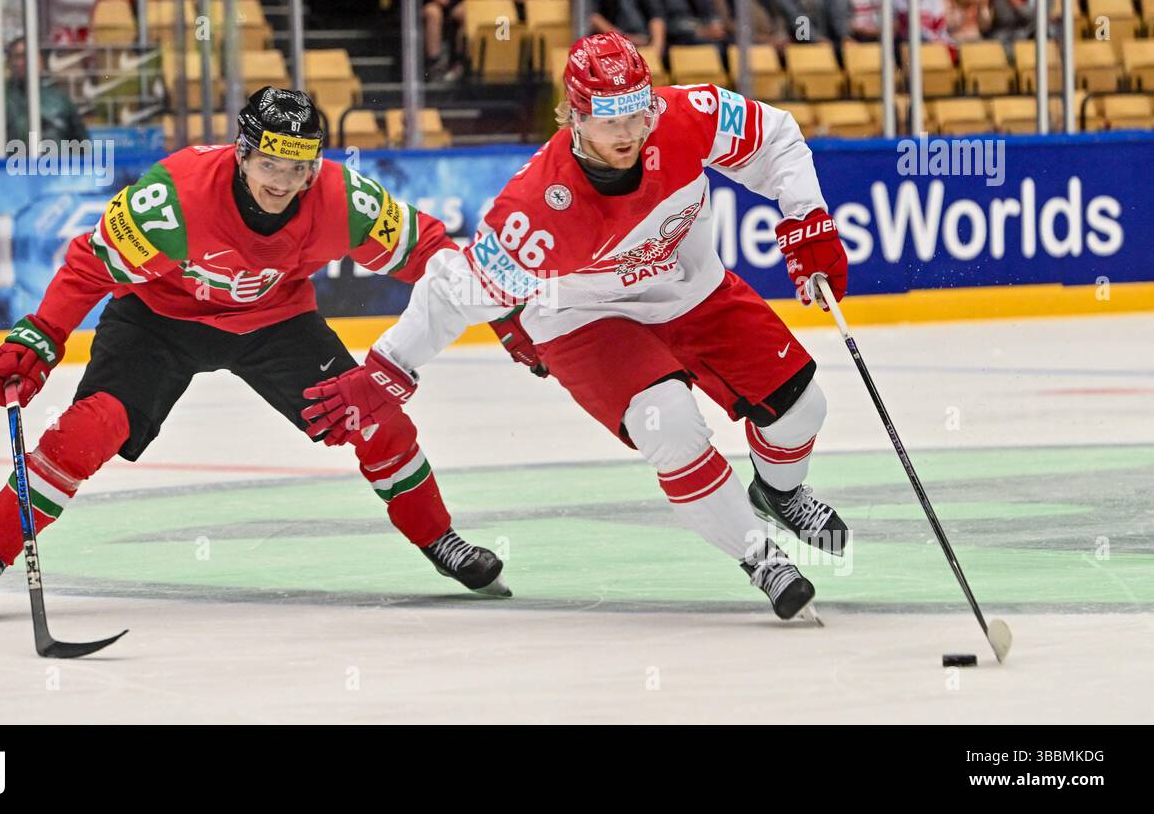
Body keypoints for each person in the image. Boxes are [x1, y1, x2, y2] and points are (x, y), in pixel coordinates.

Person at [303, 32, 852, 623]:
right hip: (583, 319)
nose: (628, 133)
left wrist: (807, 218)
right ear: (574, 115)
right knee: (669, 422)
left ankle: (779, 493)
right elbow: (455, 293)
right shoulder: (538, 208)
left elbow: (776, 138)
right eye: (608, 118)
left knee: (804, 409)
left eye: (637, 112)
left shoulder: (685, 113)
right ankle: (761, 559)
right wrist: (387, 367)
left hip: (694, 293)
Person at [0, 88, 510, 621]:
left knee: (376, 420)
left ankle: (440, 540)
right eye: (269, 165)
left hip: (275, 321)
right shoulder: (173, 198)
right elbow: (91, 263)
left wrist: (501, 309)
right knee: (90, 429)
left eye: (297, 168)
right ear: (242, 154)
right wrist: (40, 335)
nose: (282, 183)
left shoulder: (344, 199)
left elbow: (431, 251)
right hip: (159, 320)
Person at [0, 38, 90, 157]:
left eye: (33, 54)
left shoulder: (60, 100)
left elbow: (83, 146)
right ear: (10, 63)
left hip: (59, 172)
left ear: (41, 61)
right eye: (21, 56)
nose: (28, 60)